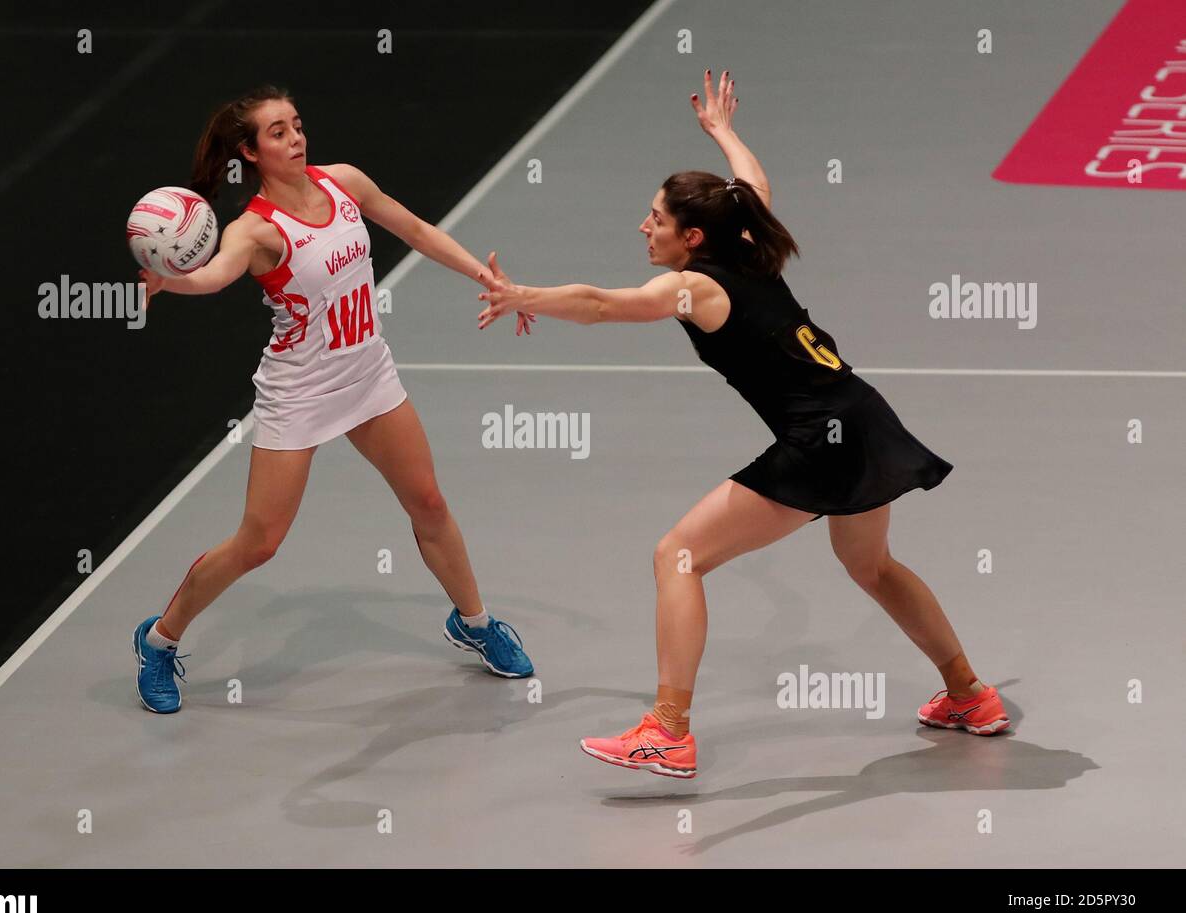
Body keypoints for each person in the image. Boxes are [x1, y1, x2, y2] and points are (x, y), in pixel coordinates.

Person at [477, 69, 1007, 778]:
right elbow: (749, 182)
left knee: (678, 557)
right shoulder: (745, 234)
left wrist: (523, 295)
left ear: (693, 236)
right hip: (863, 414)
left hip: (820, 438)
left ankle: (667, 729)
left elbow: (604, 305)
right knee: (870, 565)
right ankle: (969, 694)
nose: (644, 226)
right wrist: (723, 132)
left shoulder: (694, 285)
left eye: (656, 220)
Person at [131, 85, 534, 714]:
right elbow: (215, 273)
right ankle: (158, 639)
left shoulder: (343, 182)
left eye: (297, 126)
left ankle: (475, 623)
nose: (295, 139)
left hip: (369, 373)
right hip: (300, 391)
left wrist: (487, 278)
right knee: (259, 542)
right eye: (278, 132)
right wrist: (173, 280)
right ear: (251, 151)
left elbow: (417, 229)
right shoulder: (256, 230)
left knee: (428, 502)